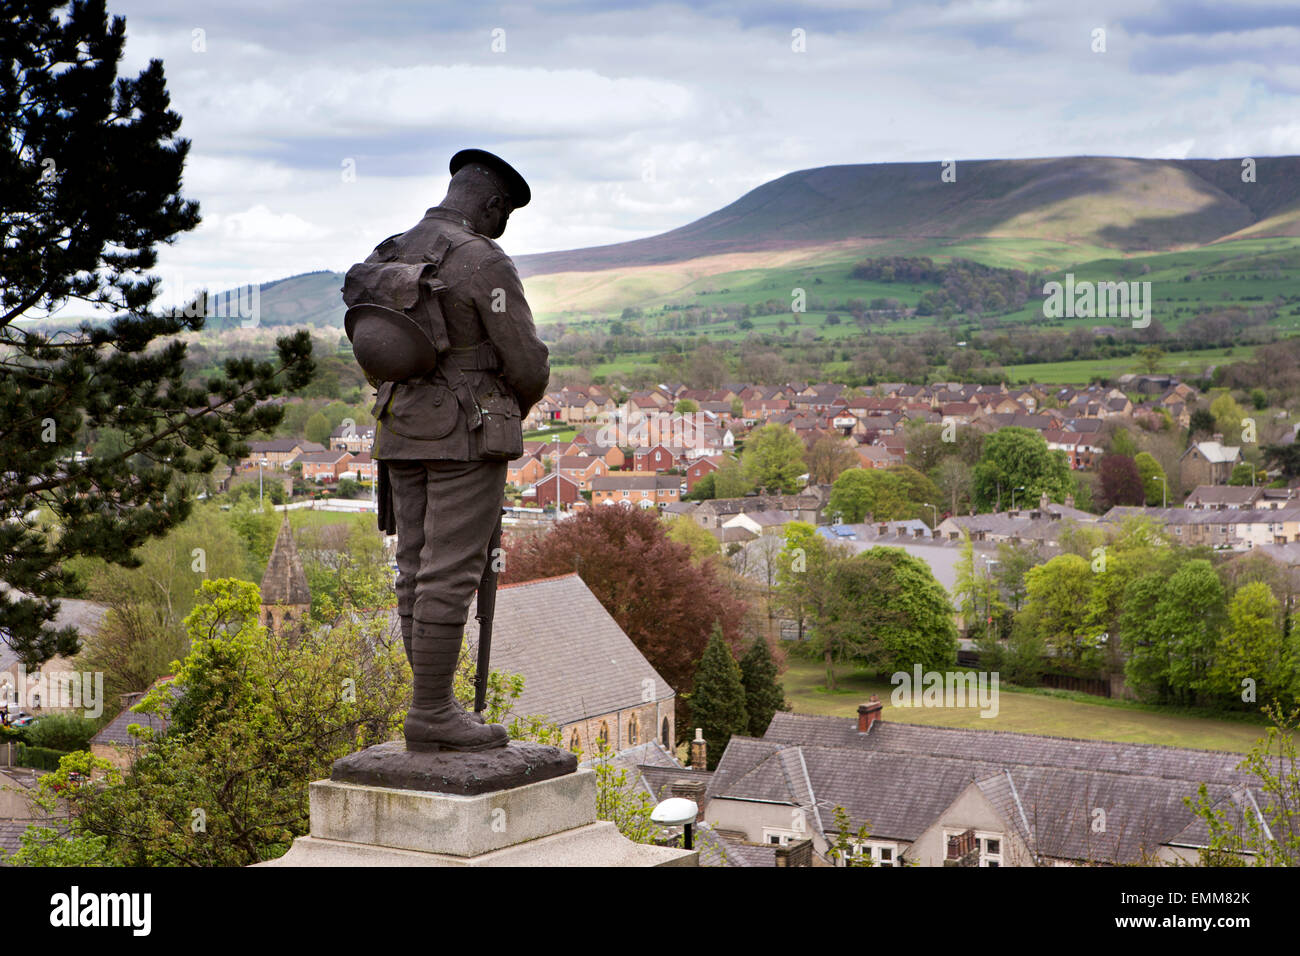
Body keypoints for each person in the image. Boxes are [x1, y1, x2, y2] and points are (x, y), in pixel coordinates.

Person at [348, 149, 549, 751]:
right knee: (451, 570)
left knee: (413, 568)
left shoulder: (391, 250)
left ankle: (431, 707)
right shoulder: (481, 260)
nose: (501, 226)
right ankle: (433, 712)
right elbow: (526, 362)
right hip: (465, 433)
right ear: (489, 205)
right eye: (503, 214)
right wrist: (509, 409)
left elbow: (375, 347)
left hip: (399, 428)